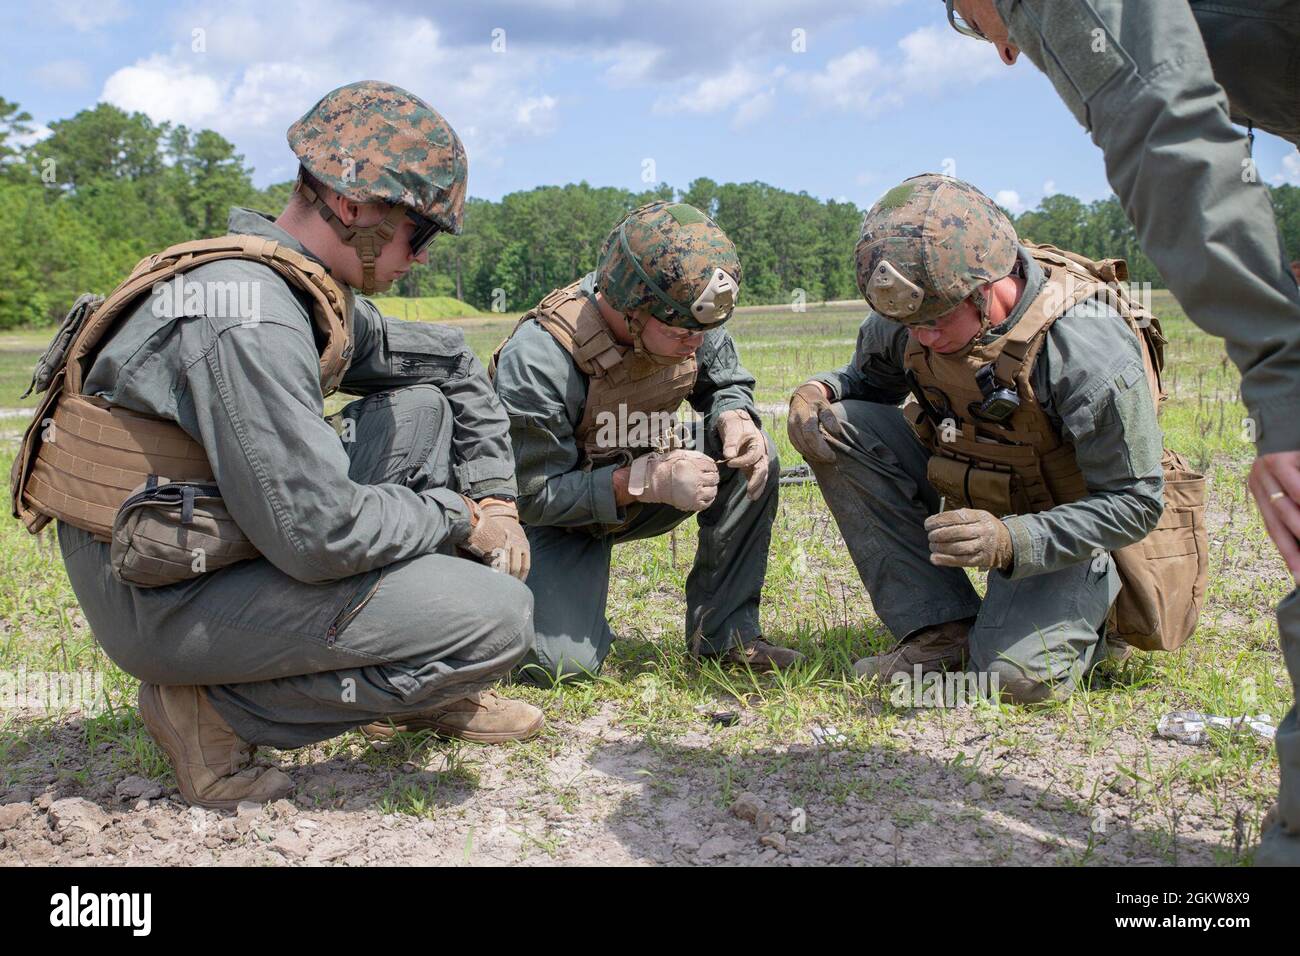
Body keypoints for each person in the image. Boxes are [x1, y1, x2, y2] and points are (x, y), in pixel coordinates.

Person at [13, 81, 541, 810]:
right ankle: (213, 716)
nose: (418, 258)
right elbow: (318, 536)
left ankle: (417, 682)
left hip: (208, 534)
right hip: (161, 589)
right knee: (496, 621)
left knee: (419, 409)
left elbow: (446, 360)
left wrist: (497, 499)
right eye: (416, 233)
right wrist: (455, 514)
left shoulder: (296, 286)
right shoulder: (248, 312)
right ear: (354, 207)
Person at [945, 0, 1300, 868]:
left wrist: (1284, 382)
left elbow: (1165, 123)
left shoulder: (1081, 339)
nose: (1002, 50)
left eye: (971, 19)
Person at [788, 173, 1167, 702]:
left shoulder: (1085, 348)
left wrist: (1011, 541)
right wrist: (818, 389)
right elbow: (868, 383)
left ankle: (1098, 620)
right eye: (908, 322)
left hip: (1072, 531)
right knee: (839, 423)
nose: (920, 336)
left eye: (936, 321)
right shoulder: (917, 309)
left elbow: (1135, 502)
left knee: (1012, 680)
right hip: (983, 497)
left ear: (988, 289)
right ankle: (941, 629)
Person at [491, 201, 798, 684]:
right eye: (682, 334)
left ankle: (726, 636)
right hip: (555, 514)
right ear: (632, 309)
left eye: (703, 332)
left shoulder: (685, 311)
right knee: (557, 666)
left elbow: (724, 383)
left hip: (641, 473)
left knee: (751, 455)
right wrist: (639, 482)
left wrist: (736, 418)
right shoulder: (541, 358)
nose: (695, 343)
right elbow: (528, 494)